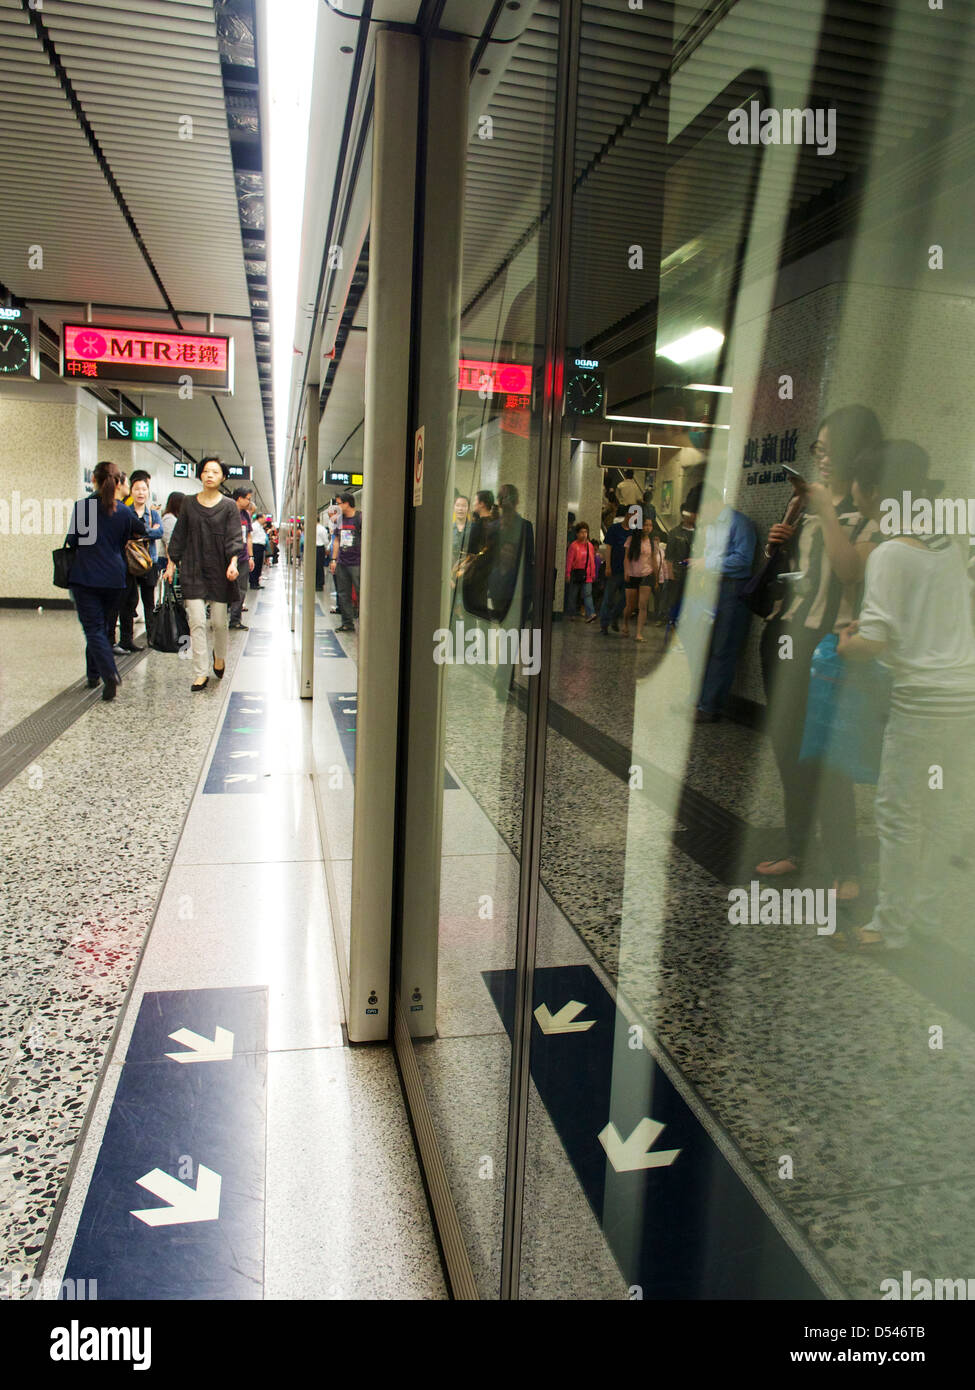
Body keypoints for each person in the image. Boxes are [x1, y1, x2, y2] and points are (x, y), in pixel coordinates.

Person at [838, 442, 975, 949]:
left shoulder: (891, 553)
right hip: (966, 696)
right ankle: (926, 918)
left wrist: (848, 641)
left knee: (898, 814)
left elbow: (872, 643)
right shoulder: (950, 547)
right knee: (947, 811)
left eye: (857, 485)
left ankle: (888, 928)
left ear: (874, 492)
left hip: (921, 700)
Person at [755, 404, 884, 889]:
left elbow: (851, 571)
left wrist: (826, 509)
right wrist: (781, 539)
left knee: (829, 760)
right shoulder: (812, 507)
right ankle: (796, 848)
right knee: (789, 751)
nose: (822, 459)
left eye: (831, 451)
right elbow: (798, 576)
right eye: (818, 450)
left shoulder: (871, 514)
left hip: (830, 646)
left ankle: (847, 869)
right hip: (785, 635)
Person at [64, 460, 147, 701]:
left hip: (86, 577)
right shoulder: (123, 511)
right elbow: (137, 531)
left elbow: (73, 541)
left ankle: (108, 672)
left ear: (94, 481)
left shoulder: (84, 508)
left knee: (93, 628)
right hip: (114, 578)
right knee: (100, 627)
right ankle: (92, 675)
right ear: (118, 482)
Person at [163, 456, 243, 691]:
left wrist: (233, 562)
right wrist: (171, 564)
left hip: (220, 570)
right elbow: (179, 535)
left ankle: (219, 657)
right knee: (196, 621)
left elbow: (234, 537)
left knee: (218, 622)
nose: (209, 475)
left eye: (215, 472)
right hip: (193, 568)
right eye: (206, 471)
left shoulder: (228, 505)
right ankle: (200, 672)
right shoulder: (188, 503)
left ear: (223, 477)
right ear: (200, 475)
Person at [692, 483, 756, 721]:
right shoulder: (711, 528)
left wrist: (707, 564)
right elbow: (713, 556)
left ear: (710, 504)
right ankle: (700, 701)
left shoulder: (739, 523)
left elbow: (743, 558)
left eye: (700, 511)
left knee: (723, 648)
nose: (699, 518)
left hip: (733, 590)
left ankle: (711, 708)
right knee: (707, 647)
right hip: (713, 588)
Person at [117, 470, 163, 653]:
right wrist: (148, 530)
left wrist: (140, 531)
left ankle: (152, 637)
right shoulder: (124, 511)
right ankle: (126, 639)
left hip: (148, 562)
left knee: (149, 602)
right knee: (128, 602)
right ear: (131, 491)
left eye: (144, 489)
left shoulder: (153, 513)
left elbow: (159, 533)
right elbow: (123, 533)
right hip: (128, 563)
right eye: (137, 489)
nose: (141, 493)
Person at [662, 485, 698, 647]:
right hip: (678, 575)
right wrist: (670, 575)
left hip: (695, 576)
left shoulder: (700, 531)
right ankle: (675, 635)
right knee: (676, 605)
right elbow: (668, 557)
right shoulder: (674, 533)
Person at [622, 516, 662, 642]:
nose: (648, 528)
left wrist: (656, 579)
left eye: (650, 525)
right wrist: (626, 571)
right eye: (645, 524)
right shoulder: (631, 539)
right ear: (640, 526)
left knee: (643, 605)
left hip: (647, 575)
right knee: (630, 606)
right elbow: (627, 558)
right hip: (633, 574)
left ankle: (639, 633)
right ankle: (625, 623)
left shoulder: (653, 542)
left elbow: (654, 561)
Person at [330, 491, 362, 632]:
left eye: (339, 503)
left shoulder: (360, 518)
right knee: (343, 594)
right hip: (343, 562)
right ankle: (347, 623)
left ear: (347, 503)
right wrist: (333, 559)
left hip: (357, 562)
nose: (337, 506)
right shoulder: (340, 520)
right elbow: (337, 540)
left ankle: (367, 622)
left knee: (362, 592)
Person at [598, 507, 630, 635]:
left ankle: (614, 616)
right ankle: (604, 624)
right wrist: (608, 566)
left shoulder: (634, 532)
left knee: (626, 598)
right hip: (615, 569)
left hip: (629, 571)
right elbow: (609, 548)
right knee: (609, 597)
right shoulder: (614, 529)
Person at [228, 486, 254, 629]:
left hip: (243, 557)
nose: (249, 502)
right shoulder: (227, 511)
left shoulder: (246, 515)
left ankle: (235, 620)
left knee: (241, 589)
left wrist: (251, 556)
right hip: (226, 556)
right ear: (239, 498)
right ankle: (218, 618)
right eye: (248, 499)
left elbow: (249, 537)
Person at [564, 521, 598, 622]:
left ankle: (591, 614)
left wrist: (593, 574)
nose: (584, 535)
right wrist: (568, 573)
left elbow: (592, 561)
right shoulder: (574, 546)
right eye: (582, 532)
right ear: (577, 534)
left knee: (588, 594)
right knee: (573, 595)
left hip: (587, 574)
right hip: (576, 573)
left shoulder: (590, 546)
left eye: (586, 532)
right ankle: (571, 613)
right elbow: (569, 560)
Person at [250, 506, 267, 589]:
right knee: (255, 565)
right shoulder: (254, 526)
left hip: (260, 548)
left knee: (259, 566)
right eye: (264, 518)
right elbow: (250, 537)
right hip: (255, 547)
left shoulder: (260, 527)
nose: (265, 520)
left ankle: (256, 582)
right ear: (259, 518)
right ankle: (253, 583)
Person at [315, 513, 329, 591]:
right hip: (319, 548)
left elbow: (325, 541)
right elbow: (326, 540)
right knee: (318, 566)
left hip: (319, 548)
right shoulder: (322, 529)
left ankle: (319, 583)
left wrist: (326, 548)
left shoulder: (321, 529)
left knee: (318, 566)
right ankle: (318, 583)